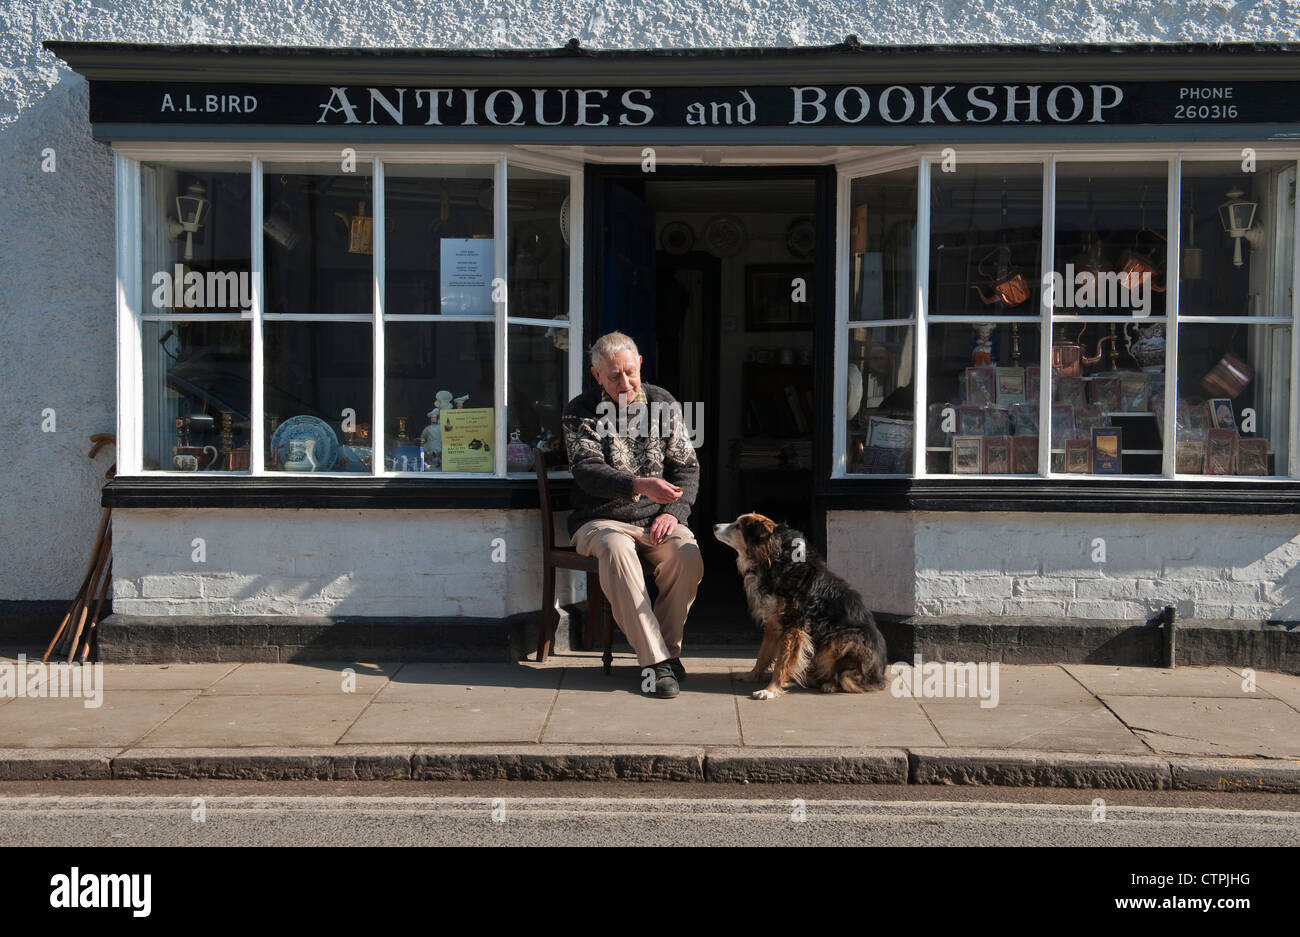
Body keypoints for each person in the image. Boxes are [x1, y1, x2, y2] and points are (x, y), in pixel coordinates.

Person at [561, 331, 703, 699]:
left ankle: (667, 653)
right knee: (618, 552)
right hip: (600, 520)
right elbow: (587, 471)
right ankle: (656, 664)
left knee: (687, 555)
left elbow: (688, 469)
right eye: (613, 376)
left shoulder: (663, 403)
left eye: (629, 372)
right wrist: (640, 485)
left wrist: (674, 512)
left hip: (656, 519)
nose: (624, 383)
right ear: (596, 376)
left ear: (640, 364)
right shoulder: (580, 410)